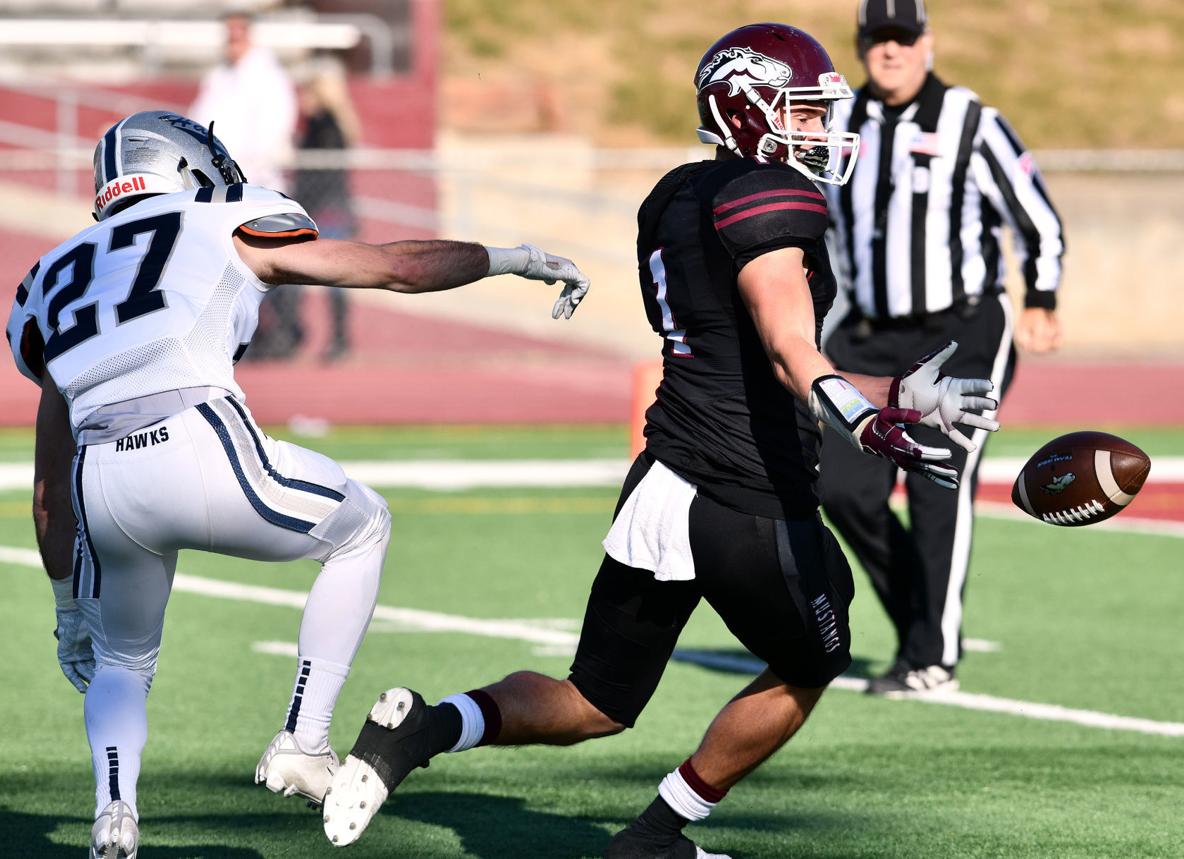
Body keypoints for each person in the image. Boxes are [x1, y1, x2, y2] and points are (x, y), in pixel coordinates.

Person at [319, 24, 997, 858]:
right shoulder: (768, 197)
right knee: (816, 660)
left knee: (596, 698)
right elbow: (786, 339)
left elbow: (738, 347)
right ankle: (656, 835)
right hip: (744, 494)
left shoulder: (675, 194)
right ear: (749, 107)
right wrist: (860, 415)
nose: (823, 132)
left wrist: (895, 392)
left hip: (665, 475)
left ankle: (425, 727)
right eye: (807, 113)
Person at [5, 111, 590, 859]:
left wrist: (65, 605)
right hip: (201, 438)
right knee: (362, 528)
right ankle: (304, 741)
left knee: (121, 658)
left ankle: (113, 812)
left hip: (104, 477)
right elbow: (396, 266)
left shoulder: (51, 274)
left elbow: (49, 475)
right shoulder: (224, 216)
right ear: (186, 165)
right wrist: (513, 256)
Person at [821, 0, 1066, 697]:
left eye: (902, 38)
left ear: (926, 42)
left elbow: (1038, 219)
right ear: (862, 47)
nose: (890, 52)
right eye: (877, 40)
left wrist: (1042, 298)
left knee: (937, 481)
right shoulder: (841, 124)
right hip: (870, 332)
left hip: (961, 330)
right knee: (841, 484)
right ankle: (916, 621)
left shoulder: (971, 122)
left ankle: (933, 654)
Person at [191, 12, 304, 360]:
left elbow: (274, 129)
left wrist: (243, 171)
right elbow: (198, 123)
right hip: (220, 191)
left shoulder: (268, 77)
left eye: (238, 33)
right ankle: (243, 338)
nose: (232, 40)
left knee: (275, 262)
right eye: (228, 33)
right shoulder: (220, 76)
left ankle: (284, 334)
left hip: (256, 187)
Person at [293, 56, 363, 362]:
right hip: (332, 207)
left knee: (330, 278)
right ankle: (336, 338)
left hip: (324, 209)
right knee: (332, 279)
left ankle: (335, 339)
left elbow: (318, 174)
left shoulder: (325, 124)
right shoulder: (331, 123)